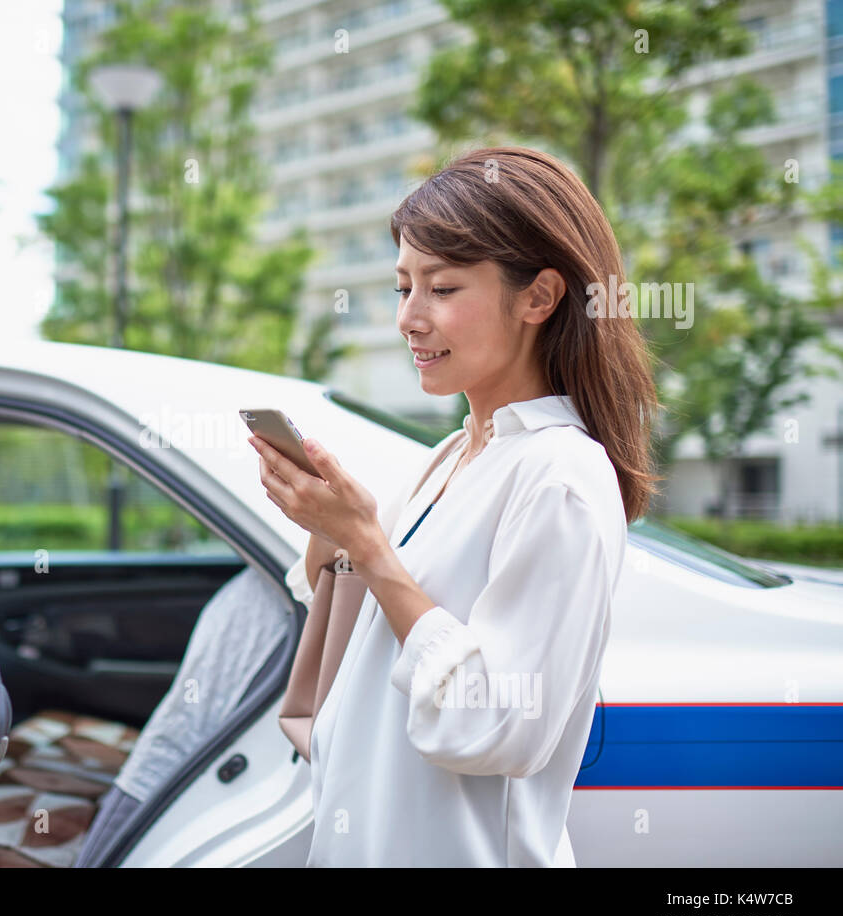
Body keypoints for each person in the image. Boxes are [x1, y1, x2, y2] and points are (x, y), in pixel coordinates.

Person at [248, 145, 659, 866]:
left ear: (539, 297)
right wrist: (331, 533)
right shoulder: (456, 455)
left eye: (441, 289)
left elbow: (499, 724)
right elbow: (375, 635)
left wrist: (371, 546)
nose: (410, 317)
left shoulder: (558, 474)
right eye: (404, 286)